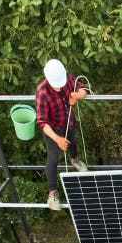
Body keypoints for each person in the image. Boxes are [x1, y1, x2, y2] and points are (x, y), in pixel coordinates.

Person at [35, 59, 89, 210]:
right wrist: (58, 139)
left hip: (68, 120)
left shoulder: (64, 76)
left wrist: (78, 95)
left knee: (73, 142)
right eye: (56, 84)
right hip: (53, 130)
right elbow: (42, 122)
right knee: (53, 158)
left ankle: (75, 160)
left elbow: (83, 88)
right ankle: (52, 193)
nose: (60, 86)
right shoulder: (42, 92)